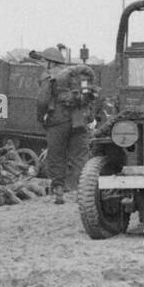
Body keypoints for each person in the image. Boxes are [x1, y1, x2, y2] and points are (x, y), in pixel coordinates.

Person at [36, 49, 97, 204]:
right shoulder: (78, 76)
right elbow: (90, 98)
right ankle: (82, 192)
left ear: (51, 62)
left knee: (56, 155)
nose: (43, 63)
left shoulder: (49, 76)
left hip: (58, 121)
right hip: (79, 121)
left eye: (44, 60)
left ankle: (58, 193)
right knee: (80, 157)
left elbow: (42, 100)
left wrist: (41, 118)